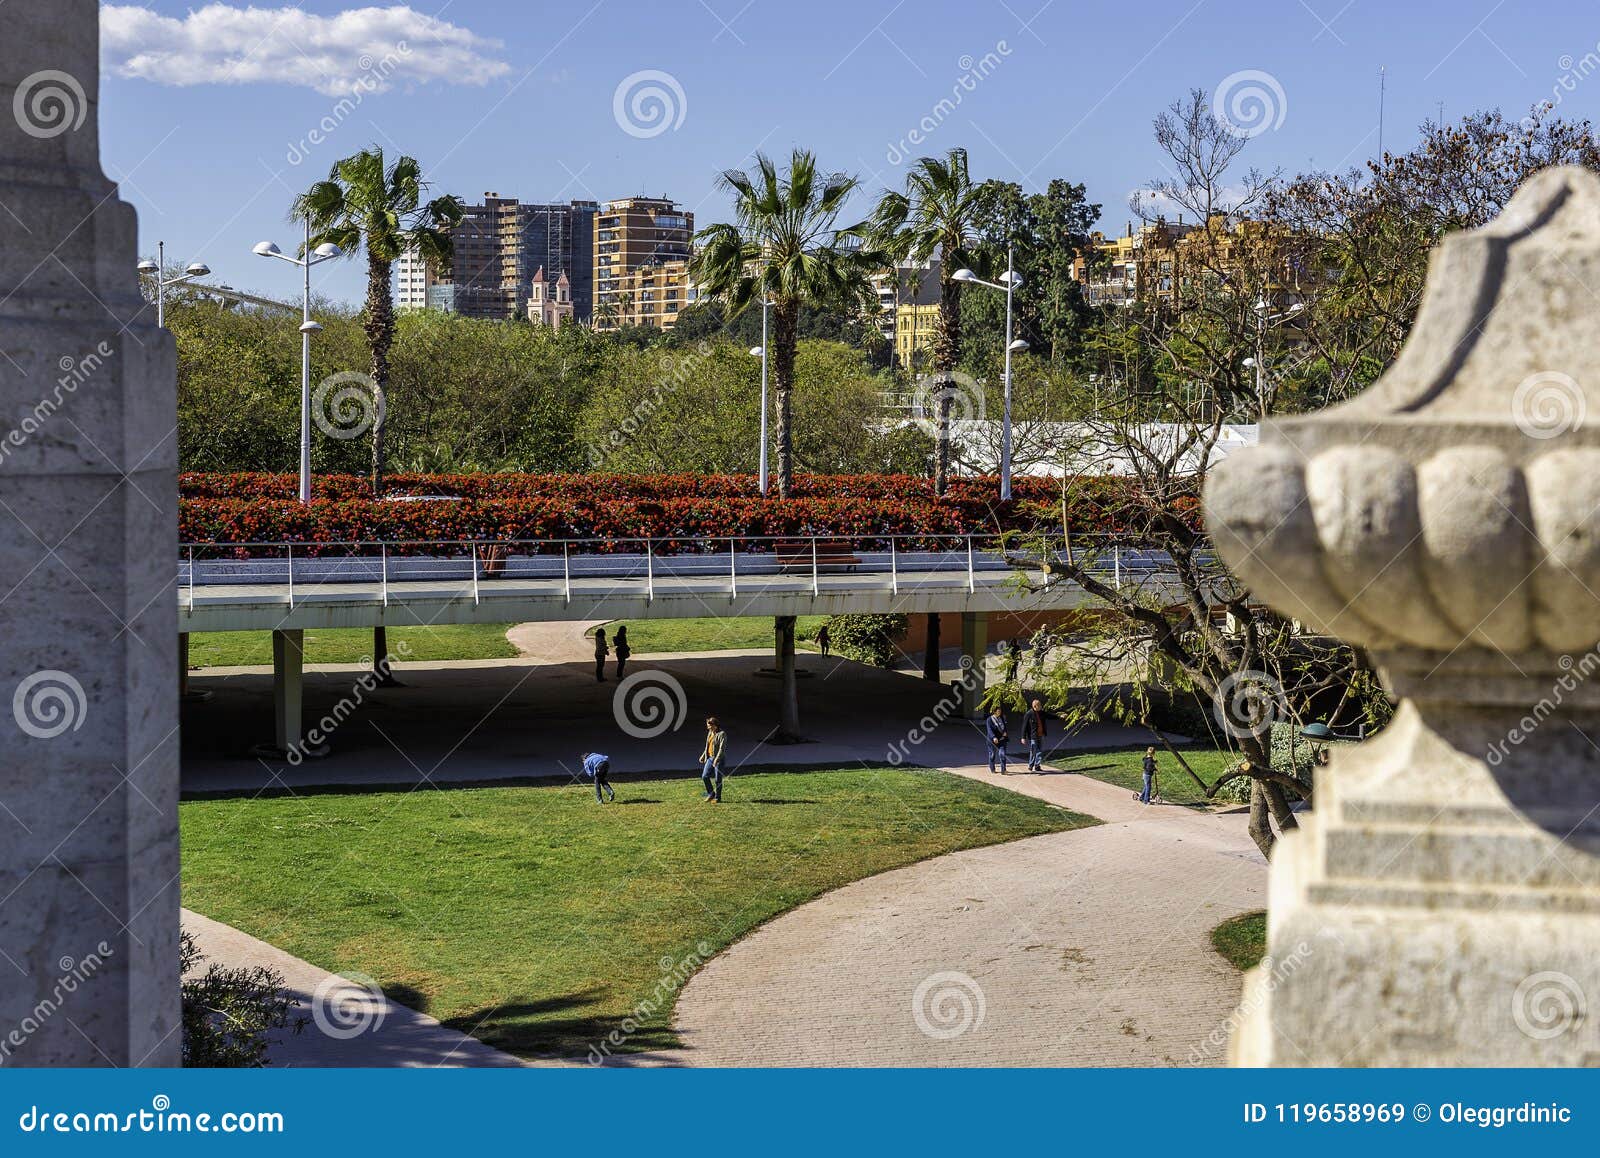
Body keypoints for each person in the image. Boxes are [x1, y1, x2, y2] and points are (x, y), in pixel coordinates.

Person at [700, 717, 727, 803]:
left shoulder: (722, 734)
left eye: (709, 726)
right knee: (705, 776)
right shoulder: (710, 733)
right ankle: (711, 794)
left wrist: (716, 759)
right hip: (710, 758)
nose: (708, 728)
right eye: (708, 726)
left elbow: (721, 749)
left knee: (717, 779)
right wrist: (703, 756)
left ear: (715, 725)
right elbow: (707, 746)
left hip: (719, 759)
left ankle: (718, 798)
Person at [1021, 699, 1048, 771]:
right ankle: (1030, 765)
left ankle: (1037, 766)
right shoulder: (1029, 714)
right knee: (1033, 751)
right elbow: (1024, 726)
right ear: (1035, 706)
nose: (1041, 706)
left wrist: (1059, 716)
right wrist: (1023, 737)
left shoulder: (1041, 712)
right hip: (1033, 736)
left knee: (1039, 751)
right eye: (1039, 705)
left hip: (1040, 735)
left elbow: (1049, 716)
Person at [985, 706, 1009, 774]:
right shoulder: (989, 719)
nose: (1000, 712)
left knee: (1002, 754)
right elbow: (989, 730)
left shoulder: (1002, 718)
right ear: (994, 712)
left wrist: (1005, 732)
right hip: (992, 740)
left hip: (1002, 739)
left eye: (1000, 711)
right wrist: (994, 737)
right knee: (992, 755)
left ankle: (1003, 770)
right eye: (998, 711)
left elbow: (1004, 727)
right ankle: (992, 769)